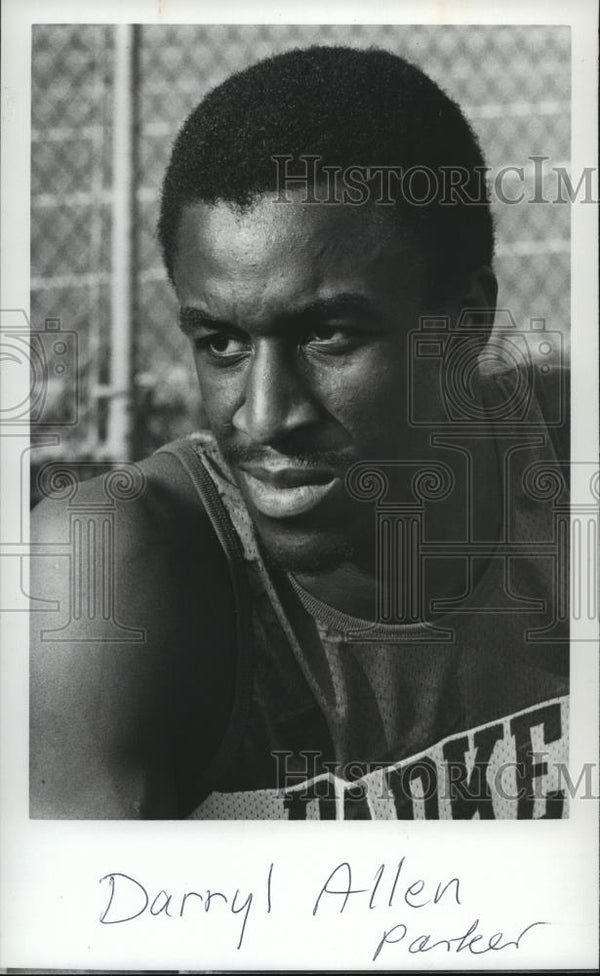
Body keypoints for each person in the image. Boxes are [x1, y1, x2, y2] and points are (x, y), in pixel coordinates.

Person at [30, 45, 569, 821]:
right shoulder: (115, 563)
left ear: (464, 324)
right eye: (222, 342)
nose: (265, 415)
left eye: (328, 335)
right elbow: (83, 929)